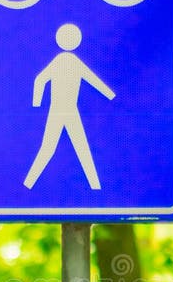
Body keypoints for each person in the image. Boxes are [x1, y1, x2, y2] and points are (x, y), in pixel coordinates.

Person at [24, 23, 115, 190]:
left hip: (69, 110)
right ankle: (28, 184)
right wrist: (36, 103)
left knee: (78, 146)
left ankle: (95, 186)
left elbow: (91, 79)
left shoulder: (71, 61)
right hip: (58, 110)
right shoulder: (62, 60)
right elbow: (40, 79)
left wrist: (110, 95)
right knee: (51, 147)